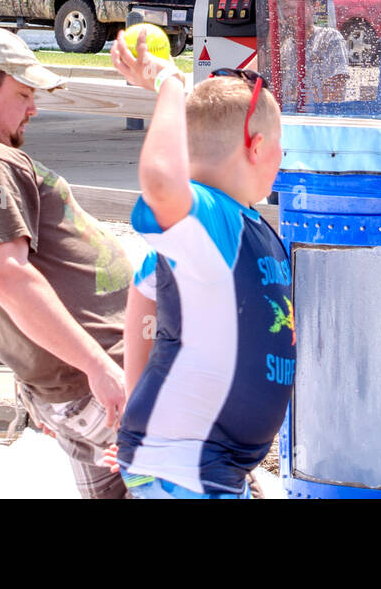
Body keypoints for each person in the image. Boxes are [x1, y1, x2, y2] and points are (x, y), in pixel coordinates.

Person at [0, 26, 133, 499]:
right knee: (216, 478)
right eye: (22, 94)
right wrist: (99, 366)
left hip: (72, 384)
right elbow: (9, 279)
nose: (33, 108)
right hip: (101, 378)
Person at [110, 30, 294, 498]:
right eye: (280, 147)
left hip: (202, 466)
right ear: (256, 146)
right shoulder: (215, 221)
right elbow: (159, 179)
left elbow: (144, 288)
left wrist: (137, 409)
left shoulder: (227, 227)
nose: (283, 159)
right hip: (186, 465)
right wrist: (170, 83)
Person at [270, 0, 349, 106]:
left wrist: (296, 97)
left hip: (320, 118)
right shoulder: (285, 45)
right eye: (287, 8)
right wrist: (271, 43)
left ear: (314, 7)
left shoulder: (329, 38)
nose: (293, 14)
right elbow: (258, 77)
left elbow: (336, 89)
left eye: (299, 7)